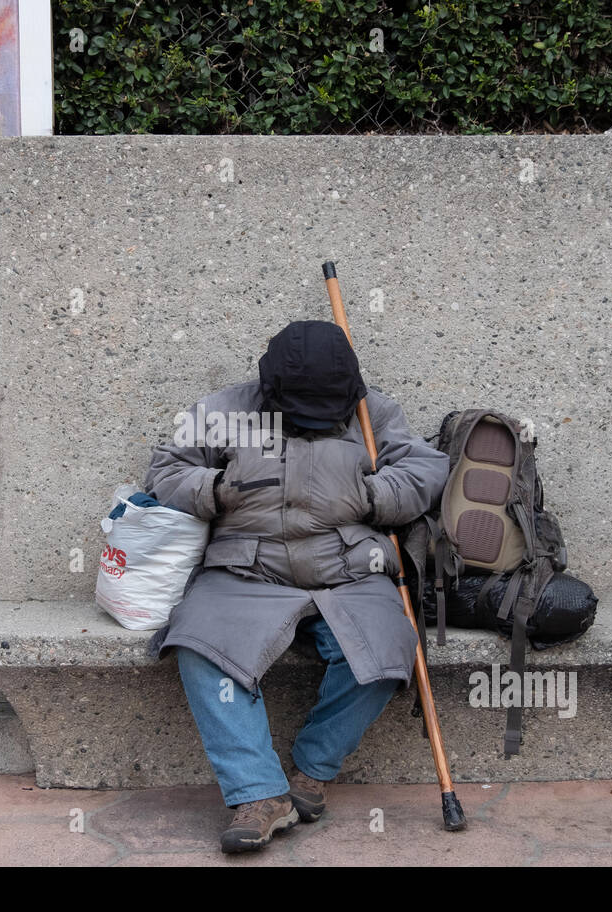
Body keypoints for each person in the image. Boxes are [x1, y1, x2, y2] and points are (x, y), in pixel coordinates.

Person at [144, 320, 450, 853]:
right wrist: (216, 489)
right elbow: (167, 470)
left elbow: (424, 470)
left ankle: (311, 769)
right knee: (198, 645)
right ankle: (258, 793)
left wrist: (372, 497)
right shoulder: (224, 410)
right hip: (247, 568)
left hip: (348, 569)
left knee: (387, 652)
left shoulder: (371, 411)